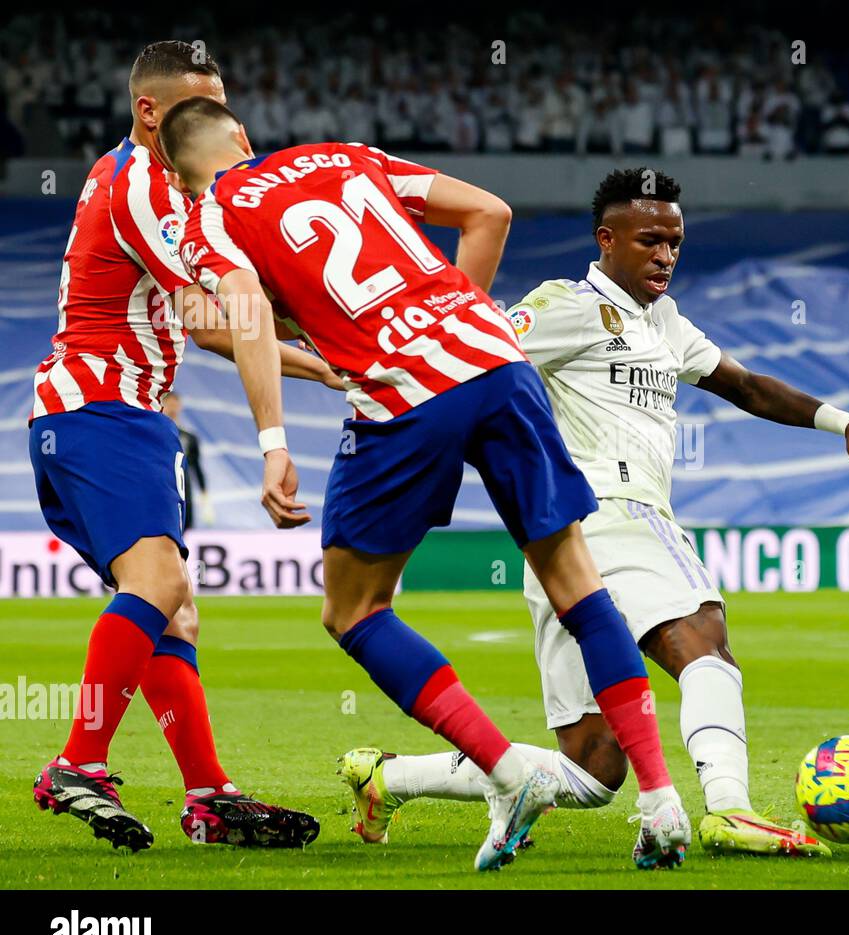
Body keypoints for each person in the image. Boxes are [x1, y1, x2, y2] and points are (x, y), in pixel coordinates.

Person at [160, 97, 692, 871]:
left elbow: (239, 313)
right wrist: (450, 328)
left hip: (406, 394)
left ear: (181, 177)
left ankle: (508, 776)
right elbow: (490, 213)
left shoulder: (209, 215)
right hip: (495, 360)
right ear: (242, 137)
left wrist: (272, 440)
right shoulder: (341, 154)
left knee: (353, 610)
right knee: (577, 584)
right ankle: (662, 799)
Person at [346, 168, 849, 857]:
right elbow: (473, 358)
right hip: (611, 510)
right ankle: (729, 808)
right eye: (649, 241)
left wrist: (838, 421)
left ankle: (390, 776)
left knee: (591, 767)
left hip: (558, 546)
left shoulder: (662, 321)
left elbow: (746, 385)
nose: (666, 255)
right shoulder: (564, 305)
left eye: (675, 241)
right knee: (705, 641)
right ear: (606, 241)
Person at [28, 41, 339, 852]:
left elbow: (204, 326)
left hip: (104, 417)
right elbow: (237, 309)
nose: (216, 125)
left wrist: (328, 370)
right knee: (161, 581)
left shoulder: (139, 186)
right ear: (149, 112)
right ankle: (79, 763)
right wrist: (277, 437)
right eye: (196, 108)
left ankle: (208, 795)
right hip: (102, 410)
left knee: (176, 613)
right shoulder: (141, 189)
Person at [161, 392, 214, 530]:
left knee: (186, 526)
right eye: (169, 404)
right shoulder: (154, 434)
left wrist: (205, 497)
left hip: (184, 489)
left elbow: (196, 466)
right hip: (161, 487)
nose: (172, 408)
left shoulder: (189, 437)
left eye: (175, 405)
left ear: (180, 407)